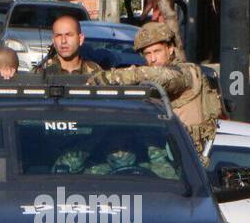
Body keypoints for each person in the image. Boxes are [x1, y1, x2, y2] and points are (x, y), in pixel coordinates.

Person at [86, 21, 225, 157]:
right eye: (147, 53)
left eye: (157, 51)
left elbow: (161, 76)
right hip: (162, 153)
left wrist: (109, 77)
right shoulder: (146, 83)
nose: (152, 59)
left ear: (170, 49)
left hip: (189, 157)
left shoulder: (185, 73)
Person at [34, 15, 102, 75]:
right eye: (58, 36)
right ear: (53, 41)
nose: (63, 41)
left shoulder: (95, 73)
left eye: (69, 35)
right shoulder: (42, 73)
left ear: (80, 39)